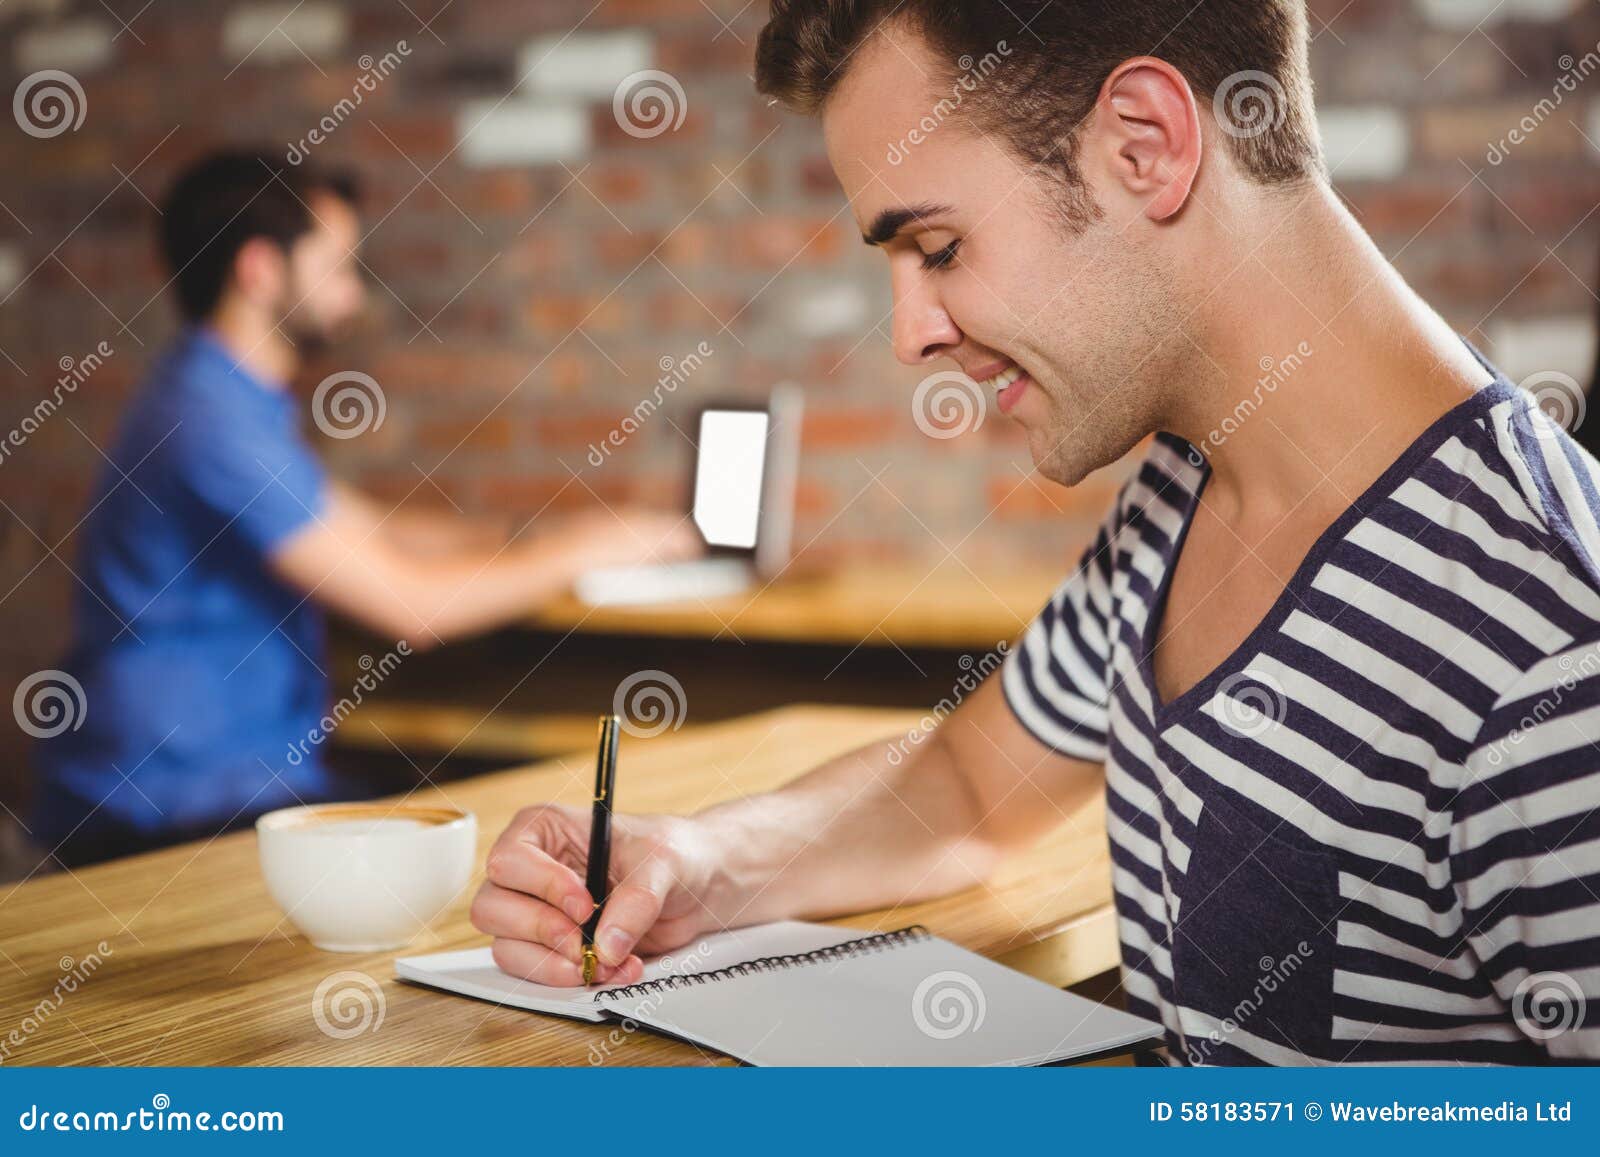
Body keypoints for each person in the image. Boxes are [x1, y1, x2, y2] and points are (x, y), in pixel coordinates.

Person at [471, 1, 1600, 1063]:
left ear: (1145, 144)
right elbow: (973, 780)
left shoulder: (1550, 648)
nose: (910, 335)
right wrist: (699, 862)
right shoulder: (1181, 488)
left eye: (940, 249)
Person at [31, 150, 699, 867]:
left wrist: (531, 532)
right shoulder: (210, 419)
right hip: (174, 806)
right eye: (339, 267)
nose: (352, 296)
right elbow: (413, 608)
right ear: (260, 270)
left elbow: (360, 525)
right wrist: (586, 551)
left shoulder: (215, 393)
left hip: (212, 784)